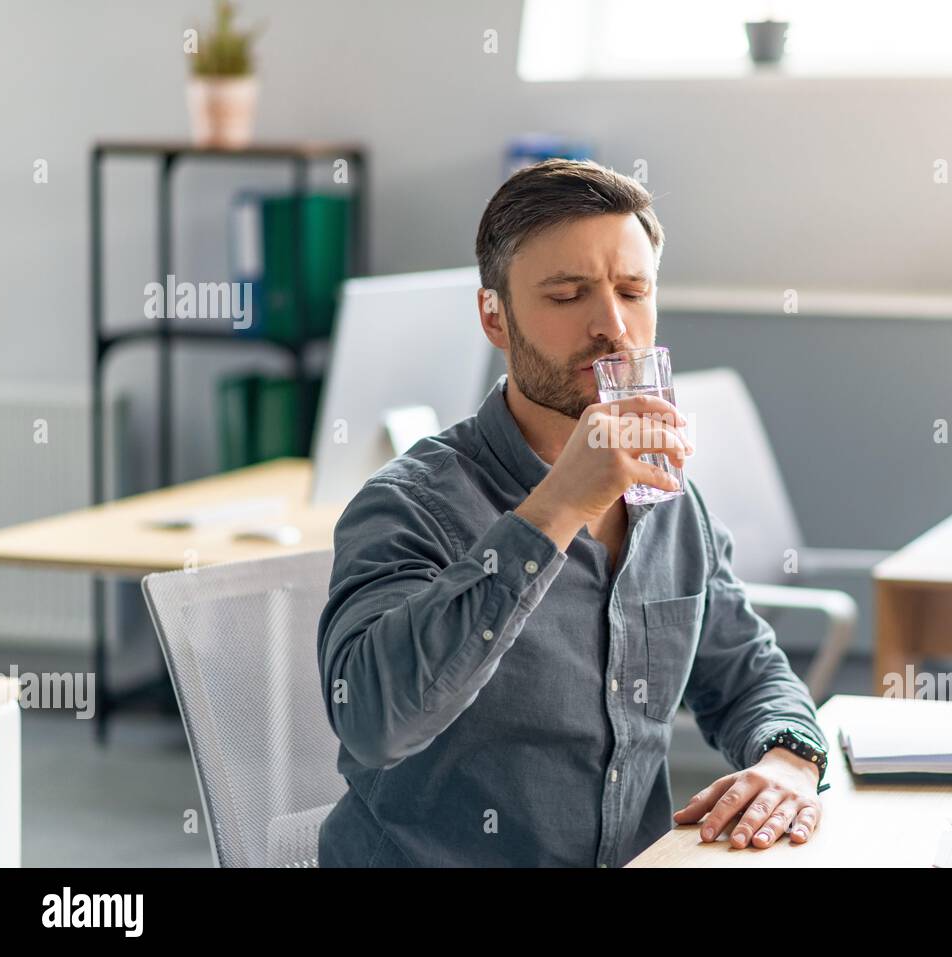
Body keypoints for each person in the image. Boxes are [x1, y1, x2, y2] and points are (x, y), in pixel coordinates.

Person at [316, 158, 828, 867]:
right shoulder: (409, 504)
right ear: (494, 315)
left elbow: (748, 672)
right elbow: (373, 721)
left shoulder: (666, 495)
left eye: (633, 290)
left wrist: (788, 760)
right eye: (566, 294)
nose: (612, 327)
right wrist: (558, 505)